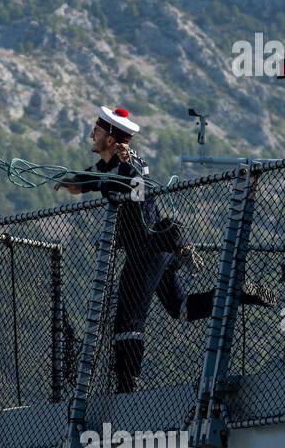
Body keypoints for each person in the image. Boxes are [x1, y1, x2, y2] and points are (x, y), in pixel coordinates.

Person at [59, 106, 273, 393]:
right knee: (180, 309)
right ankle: (236, 293)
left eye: (97, 131)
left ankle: (129, 380)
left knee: (129, 316)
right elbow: (80, 184)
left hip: (148, 248)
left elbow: (138, 187)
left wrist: (123, 168)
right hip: (153, 249)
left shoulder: (130, 163)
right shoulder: (105, 167)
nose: (91, 134)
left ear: (110, 140)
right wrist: (64, 180)